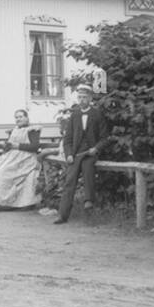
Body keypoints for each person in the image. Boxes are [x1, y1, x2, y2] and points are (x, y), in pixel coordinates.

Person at [54, 84, 109, 225]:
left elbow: (104, 138)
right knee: (69, 181)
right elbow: (67, 140)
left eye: (85, 97)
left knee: (88, 171)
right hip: (76, 154)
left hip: (90, 153)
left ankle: (89, 202)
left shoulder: (97, 114)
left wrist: (96, 148)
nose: (82, 100)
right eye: (79, 97)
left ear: (90, 98)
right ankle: (62, 215)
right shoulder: (75, 114)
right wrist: (69, 155)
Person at [0, 109, 42, 211]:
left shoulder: (32, 130)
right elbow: (10, 144)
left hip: (26, 158)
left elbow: (34, 146)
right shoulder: (14, 130)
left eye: (21, 117)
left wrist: (16, 145)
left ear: (26, 118)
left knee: (3, 174)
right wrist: (6, 146)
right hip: (11, 157)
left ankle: (4, 203)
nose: (18, 119)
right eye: (16, 117)